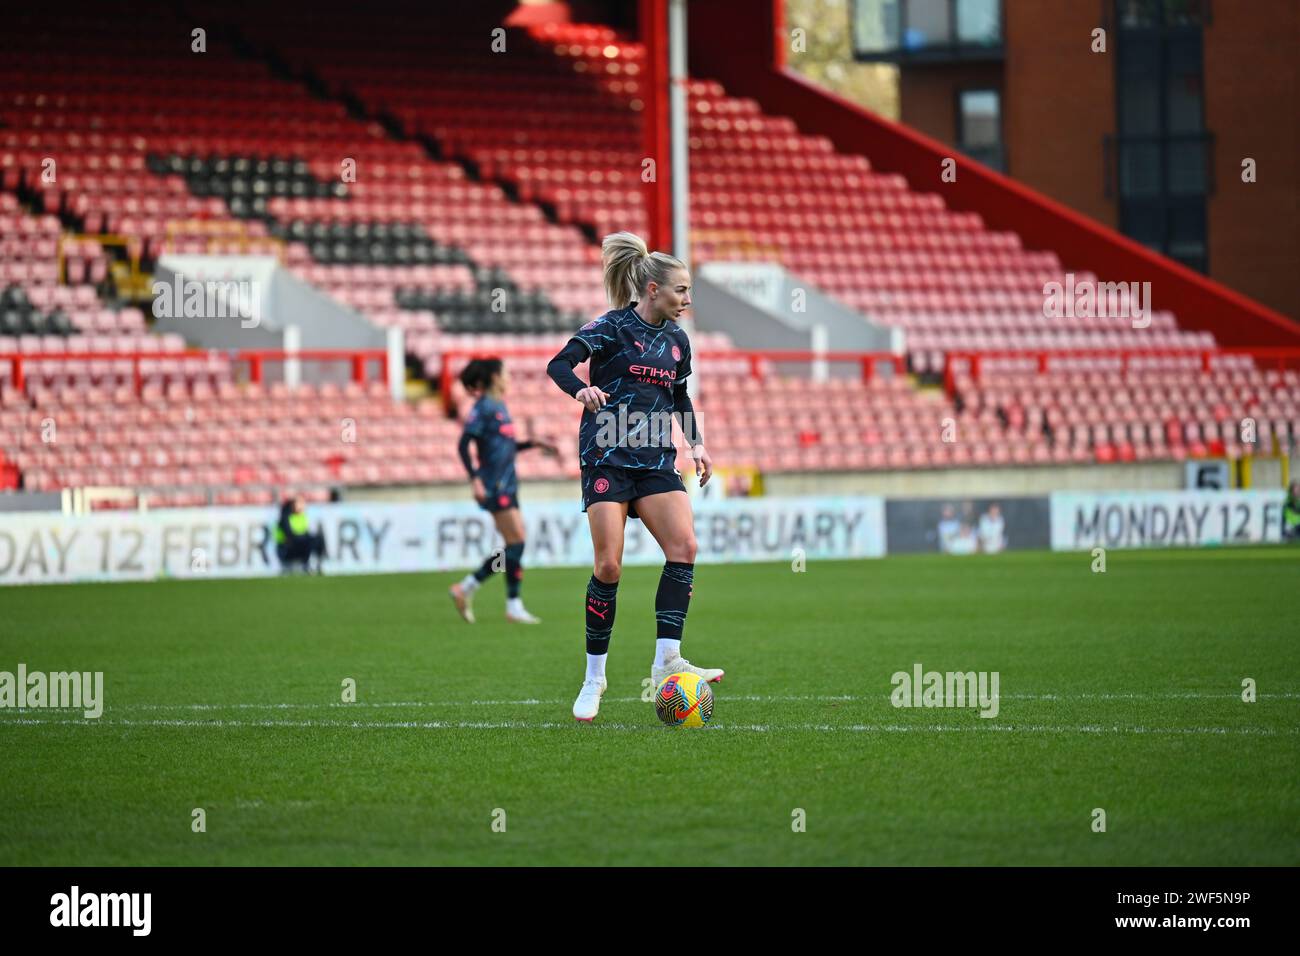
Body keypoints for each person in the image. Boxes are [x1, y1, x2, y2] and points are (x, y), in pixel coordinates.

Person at [546, 230, 721, 723]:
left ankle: (668, 659)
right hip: (606, 459)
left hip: (656, 461)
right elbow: (558, 364)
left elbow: (678, 398)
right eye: (681, 289)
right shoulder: (609, 328)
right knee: (609, 568)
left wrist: (697, 443)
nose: (687, 298)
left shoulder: (678, 342)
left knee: (684, 548)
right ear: (652, 290)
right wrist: (581, 391)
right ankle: (594, 677)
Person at [449, 357, 556, 624]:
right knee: (517, 541)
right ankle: (474, 589)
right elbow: (463, 444)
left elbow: (504, 446)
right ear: (495, 377)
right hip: (494, 483)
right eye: (506, 373)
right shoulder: (483, 407)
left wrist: (532, 442)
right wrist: (475, 479)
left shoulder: (499, 406)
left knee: (515, 543)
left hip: (508, 482)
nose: (509, 378)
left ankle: (505, 602)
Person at [275, 494, 326, 573]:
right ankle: (307, 564)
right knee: (309, 541)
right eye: (300, 503)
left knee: (317, 539)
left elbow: (305, 533)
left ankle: (317, 563)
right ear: (293, 505)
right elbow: (290, 536)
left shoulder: (302, 516)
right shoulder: (285, 518)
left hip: (298, 544)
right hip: (286, 548)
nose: (303, 506)